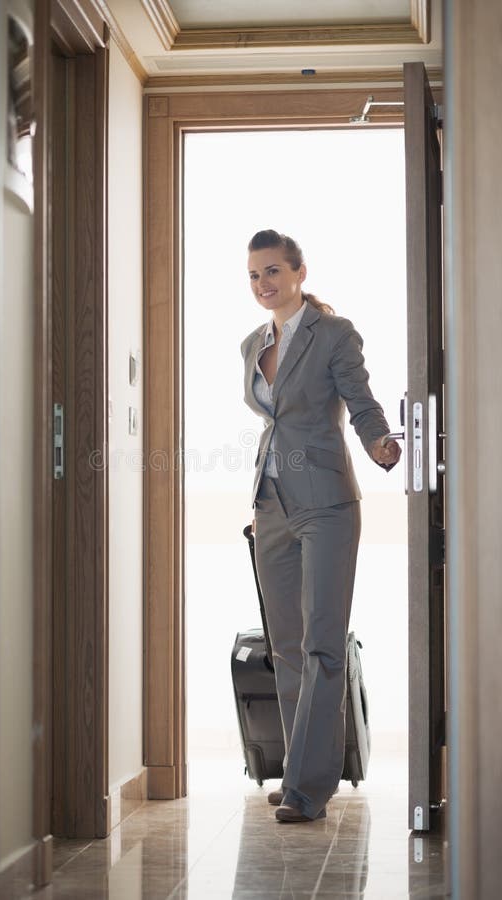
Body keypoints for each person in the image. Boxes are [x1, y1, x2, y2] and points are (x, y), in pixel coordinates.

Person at [241, 229, 401, 823]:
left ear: (299, 272)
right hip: (271, 504)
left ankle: (309, 789)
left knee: (322, 645)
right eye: (254, 274)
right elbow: (274, 421)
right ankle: (296, 773)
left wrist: (381, 443)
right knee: (285, 647)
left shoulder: (333, 333)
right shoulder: (251, 344)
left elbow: (360, 401)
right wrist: (265, 501)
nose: (264, 283)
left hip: (327, 504)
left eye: (273, 271)